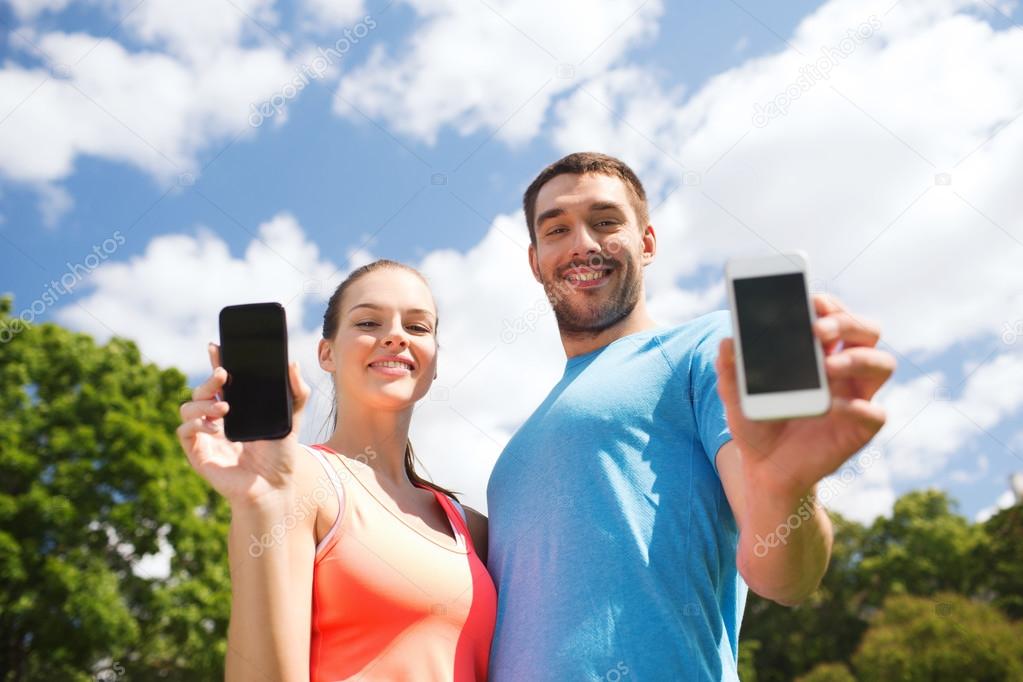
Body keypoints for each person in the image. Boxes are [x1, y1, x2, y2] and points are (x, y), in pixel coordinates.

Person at [486, 152, 896, 680]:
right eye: (557, 229)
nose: (583, 243)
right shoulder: (513, 454)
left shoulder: (707, 347)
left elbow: (784, 578)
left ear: (647, 243)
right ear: (535, 260)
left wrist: (785, 487)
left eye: (605, 222)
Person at [177, 260, 496, 682]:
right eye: (368, 322)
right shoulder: (298, 480)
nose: (396, 336)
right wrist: (260, 503)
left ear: (435, 362)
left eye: (417, 327)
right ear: (326, 353)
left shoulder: (473, 528)